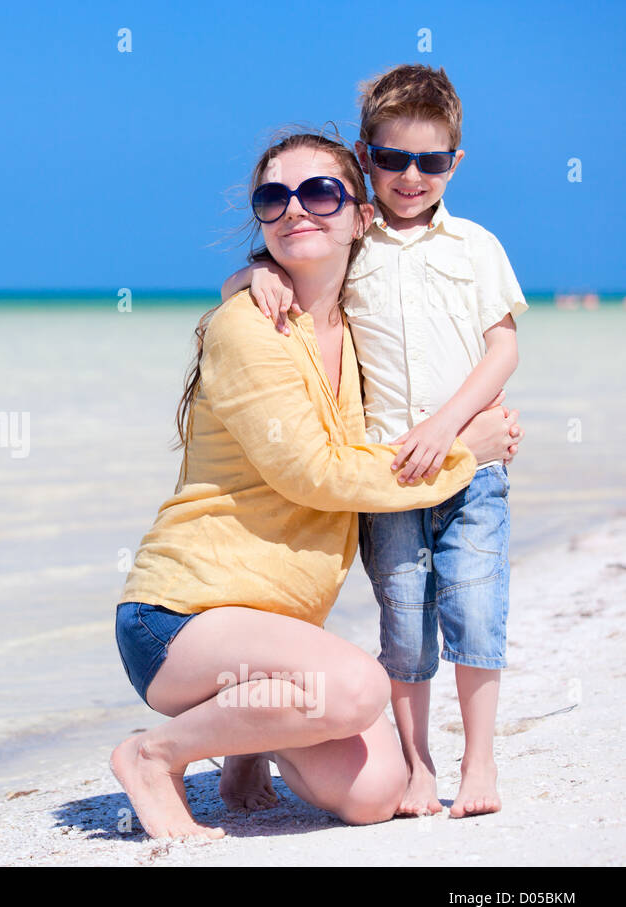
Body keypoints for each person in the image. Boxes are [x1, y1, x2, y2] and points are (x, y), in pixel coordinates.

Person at [110, 130, 523, 840]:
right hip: (177, 622)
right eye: (274, 197)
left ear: (362, 216)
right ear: (261, 219)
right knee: (356, 686)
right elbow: (318, 474)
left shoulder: (355, 329)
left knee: (375, 793)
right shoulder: (249, 328)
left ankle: (244, 739)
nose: (295, 209)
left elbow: (456, 345)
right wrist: (463, 454)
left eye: (321, 193)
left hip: (271, 639)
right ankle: (154, 756)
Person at [223, 66, 526, 819]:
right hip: (385, 476)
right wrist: (253, 272)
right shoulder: (356, 241)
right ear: (367, 156)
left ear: (455, 161)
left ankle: (479, 764)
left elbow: (503, 350)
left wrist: (449, 424)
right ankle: (419, 766)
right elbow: (298, 260)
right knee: (405, 622)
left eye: (430, 162)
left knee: (478, 614)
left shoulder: (476, 246)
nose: (411, 177)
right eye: (391, 160)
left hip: (473, 469)